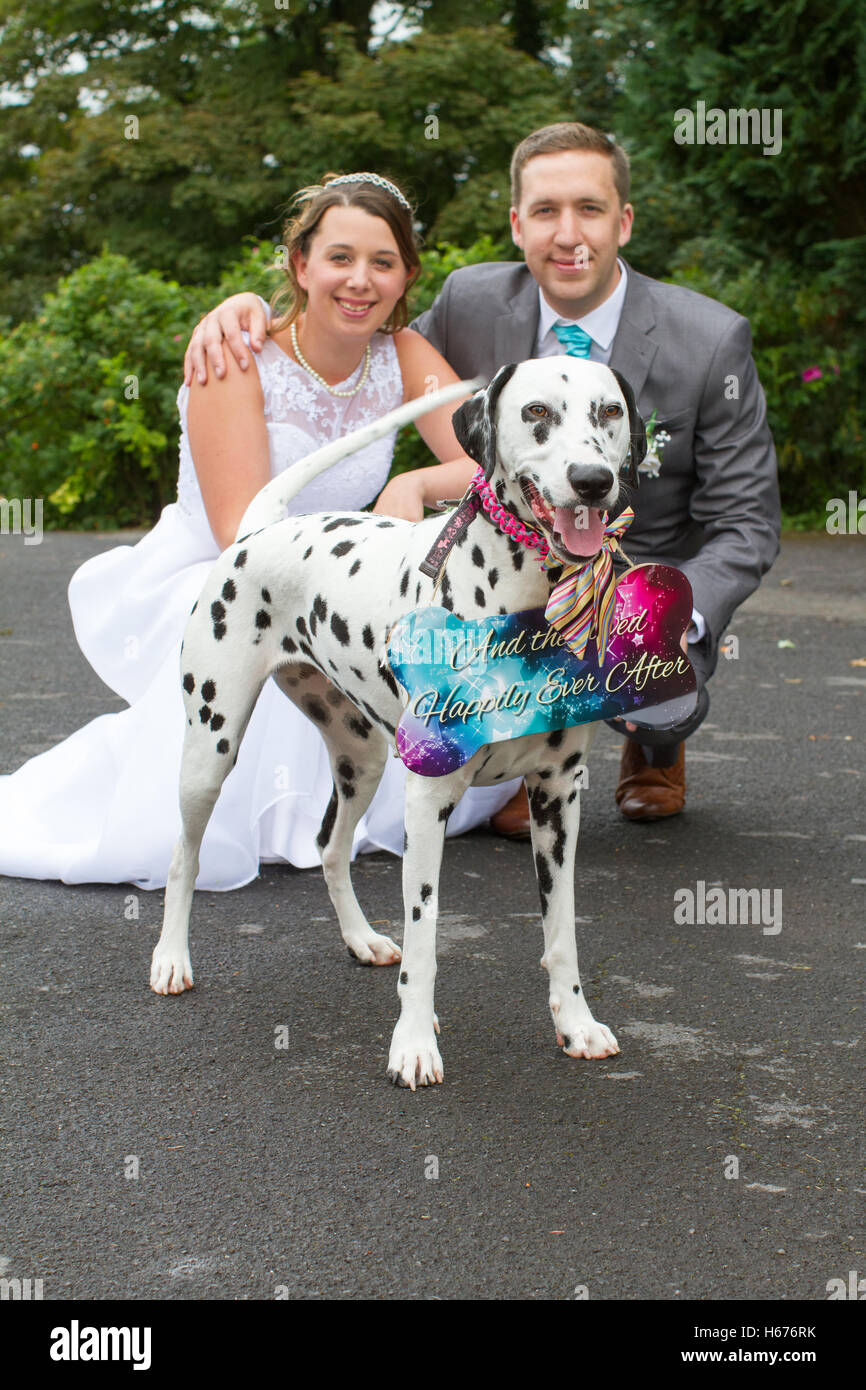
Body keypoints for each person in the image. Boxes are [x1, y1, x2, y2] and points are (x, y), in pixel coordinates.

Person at [186, 122, 781, 836]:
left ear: (624, 221)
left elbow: (747, 522)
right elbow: (359, 329)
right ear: (515, 224)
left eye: (589, 209)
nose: (568, 234)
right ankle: (511, 741)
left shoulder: (710, 339)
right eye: (545, 212)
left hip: (621, 577)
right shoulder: (469, 302)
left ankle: (652, 744)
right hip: (481, 575)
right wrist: (246, 309)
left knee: (651, 655)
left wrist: (679, 618)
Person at [0, 172, 519, 891]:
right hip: (226, 575)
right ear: (299, 265)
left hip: (332, 576)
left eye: (383, 263)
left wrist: (416, 483)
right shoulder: (237, 358)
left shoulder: (401, 357)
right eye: (339, 258)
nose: (360, 281)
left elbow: (495, 461)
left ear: (407, 279)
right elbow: (242, 533)